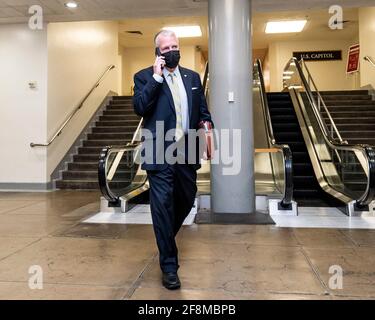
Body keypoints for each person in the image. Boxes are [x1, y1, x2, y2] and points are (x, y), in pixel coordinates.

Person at [133, 29, 213, 290]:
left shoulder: (192, 77)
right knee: (162, 205)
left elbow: (202, 109)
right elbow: (140, 108)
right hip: (158, 151)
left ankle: (164, 237)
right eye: (166, 48)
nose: (171, 51)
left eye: (174, 46)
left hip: (187, 150)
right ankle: (169, 266)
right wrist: (156, 78)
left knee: (187, 198)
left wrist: (207, 124)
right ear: (158, 52)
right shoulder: (145, 76)